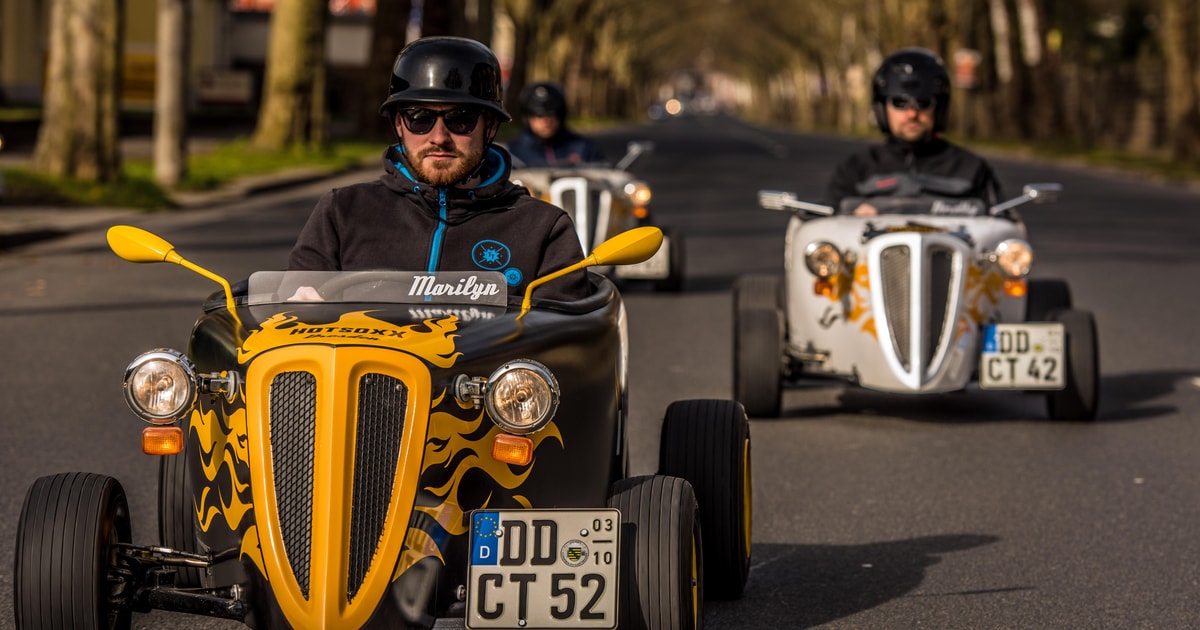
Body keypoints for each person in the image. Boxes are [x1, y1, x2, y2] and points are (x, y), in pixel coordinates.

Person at [288, 37, 590, 302]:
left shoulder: (544, 229)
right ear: (398, 124)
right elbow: (291, 320)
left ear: (490, 127)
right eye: (419, 118)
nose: (439, 137)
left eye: (461, 119)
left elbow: (564, 343)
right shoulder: (342, 211)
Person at [826, 47, 1002, 216]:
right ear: (881, 109)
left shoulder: (971, 169)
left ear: (939, 108)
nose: (912, 114)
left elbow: (1003, 231)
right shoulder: (855, 171)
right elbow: (825, 233)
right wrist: (850, 218)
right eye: (899, 103)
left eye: (923, 103)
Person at [506, 81, 605, 167]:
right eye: (538, 115)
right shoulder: (513, 154)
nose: (545, 120)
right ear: (527, 117)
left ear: (561, 115)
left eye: (551, 113)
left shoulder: (584, 148)